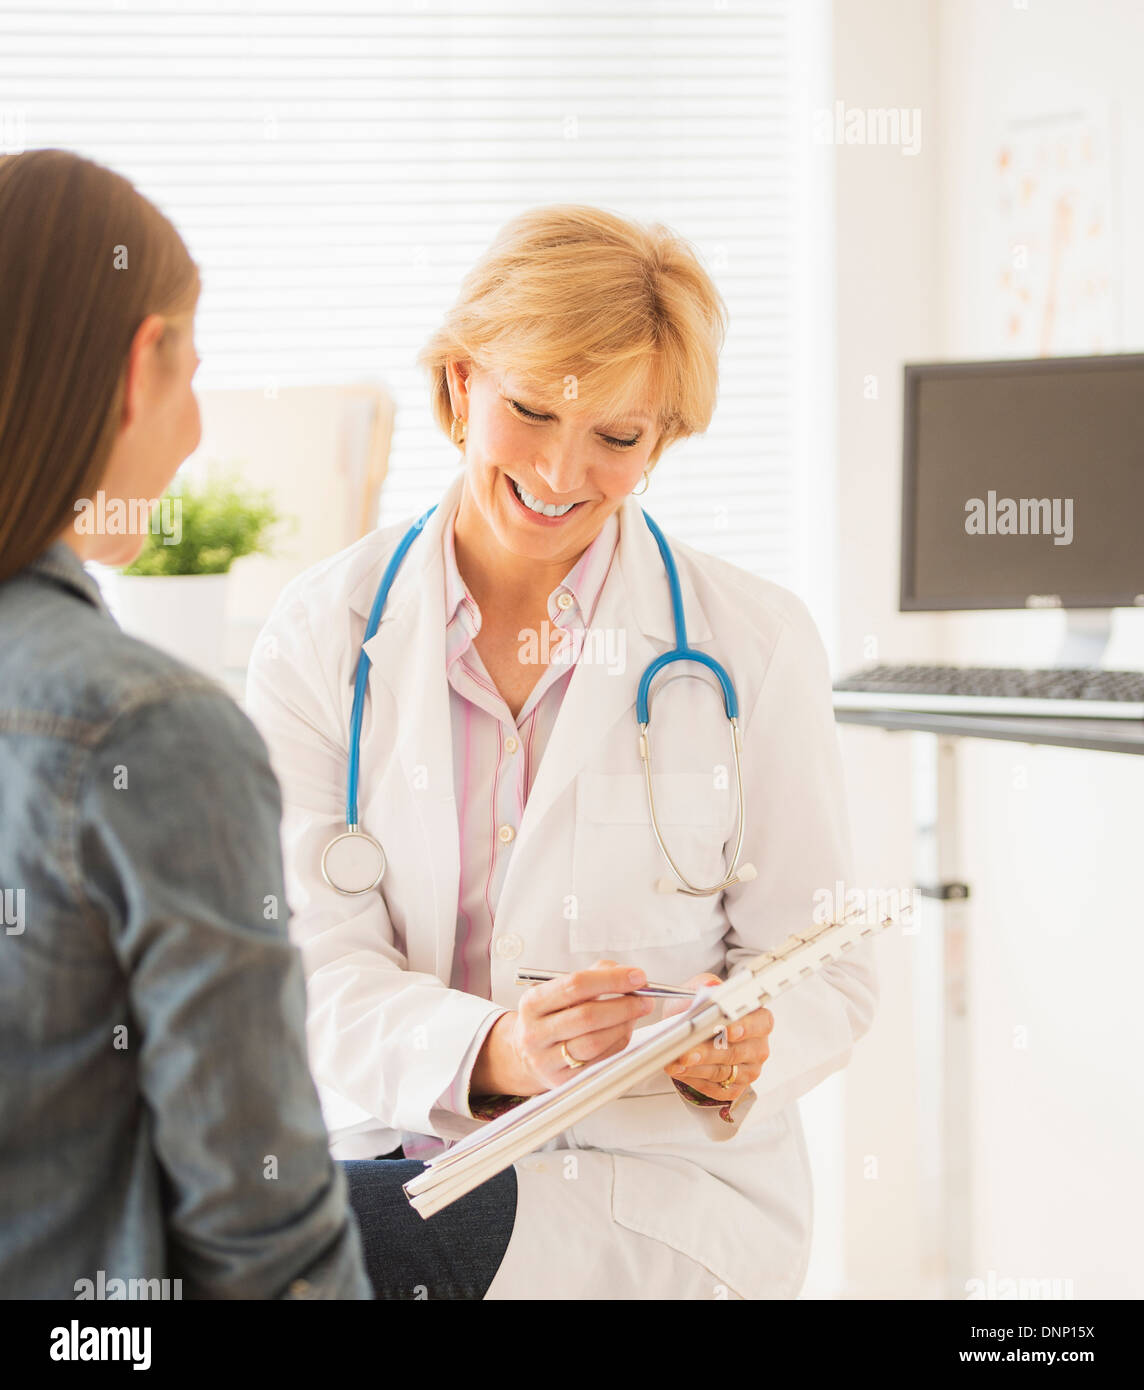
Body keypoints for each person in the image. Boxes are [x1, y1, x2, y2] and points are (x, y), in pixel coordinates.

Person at [245, 204, 879, 1300]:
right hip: (399, 1149)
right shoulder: (320, 634)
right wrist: (499, 1051)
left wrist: (745, 1043)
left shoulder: (754, 644)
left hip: (650, 1192)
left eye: (616, 437)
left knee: (279, 1253)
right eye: (530, 410)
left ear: (664, 437)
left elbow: (825, 962)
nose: (560, 469)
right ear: (457, 388)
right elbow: (312, 969)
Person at [0, 148, 376, 1299]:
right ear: (134, 368)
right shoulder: (150, 732)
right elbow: (260, 1220)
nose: (198, 425)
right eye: (191, 372)